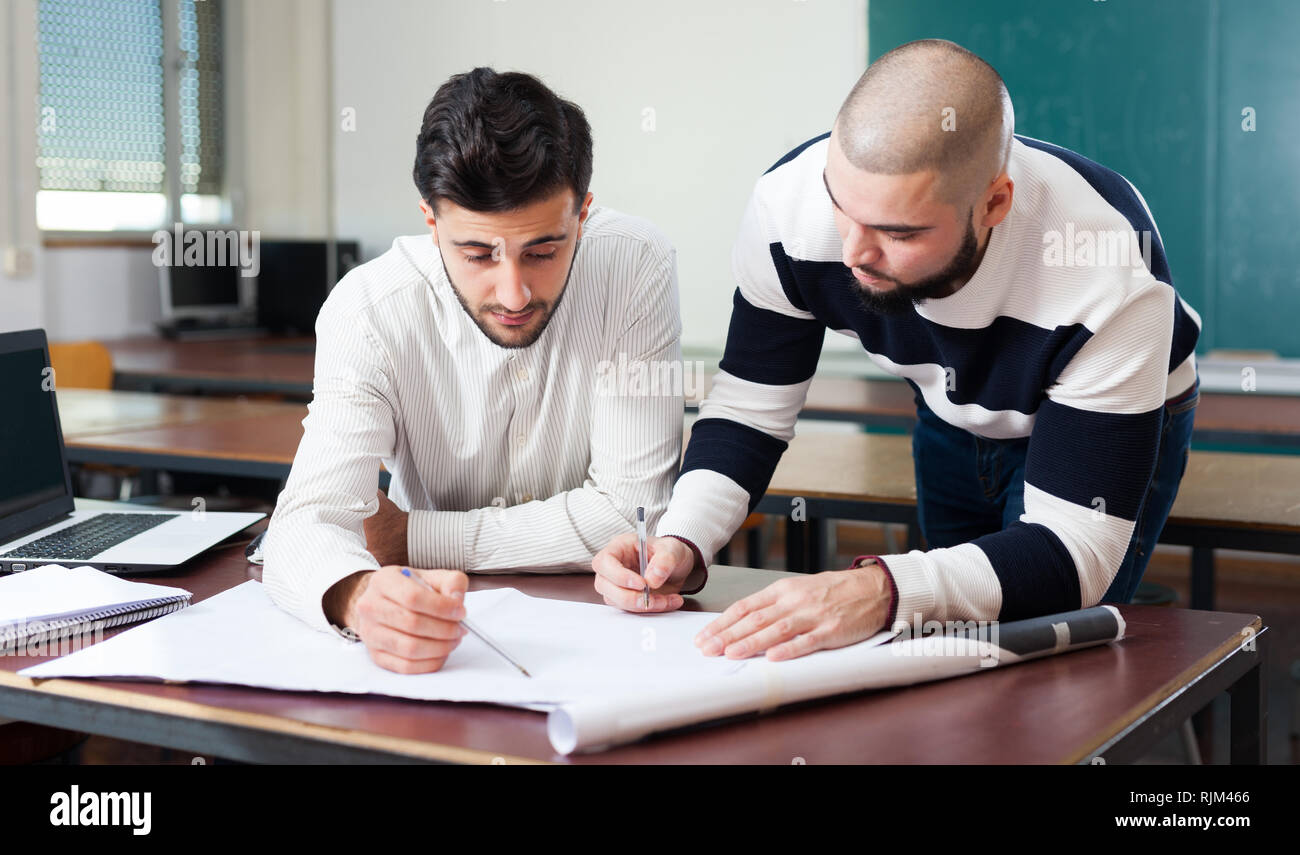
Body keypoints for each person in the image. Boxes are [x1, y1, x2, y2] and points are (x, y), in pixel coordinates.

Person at [592, 39, 1201, 662]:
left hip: (1106, 414)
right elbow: (751, 404)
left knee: (1047, 651)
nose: (854, 252)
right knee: (951, 651)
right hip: (948, 406)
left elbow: (1073, 555)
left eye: (899, 232)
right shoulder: (789, 205)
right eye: (843, 210)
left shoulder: (1109, 268)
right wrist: (682, 542)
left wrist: (881, 590)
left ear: (994, 203)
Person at [263, 68, 692, 673]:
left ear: (583, 215)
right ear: (431, 222)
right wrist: (358, 597)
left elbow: (633, 515)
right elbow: (306, 522)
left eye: (543, 251)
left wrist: (411, 536)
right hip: (443, 636)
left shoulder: (636, 266)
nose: (513, 293)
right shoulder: (367, 311)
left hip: (609, 633)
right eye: (477, 254)